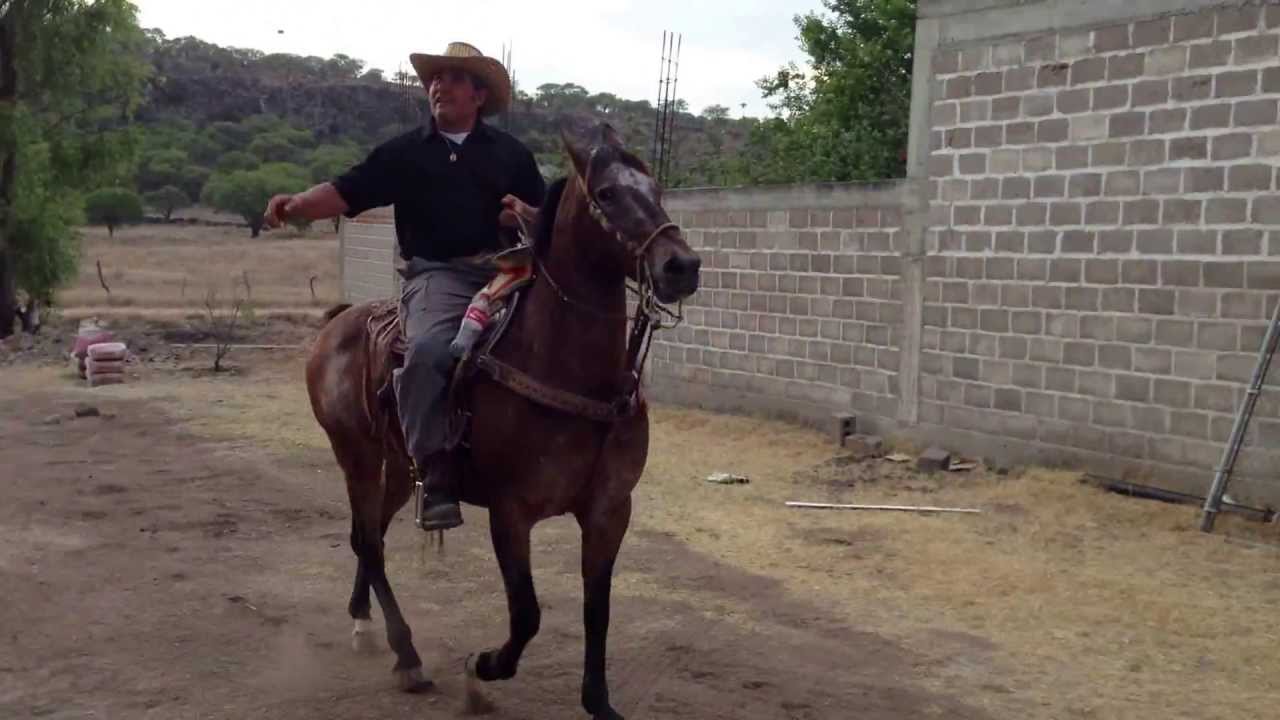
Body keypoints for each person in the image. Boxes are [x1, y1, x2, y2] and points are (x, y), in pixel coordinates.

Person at [264, 42, 546, 532]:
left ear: (479, 95)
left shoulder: (511, 155)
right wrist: (295, 205)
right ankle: (435, 473)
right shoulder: (405, 153)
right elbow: (345, 190)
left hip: (508, 272)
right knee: (431, 351)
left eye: (455, 78)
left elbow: (546, 220)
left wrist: (524, 215)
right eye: (435, 79)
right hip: (439, 275)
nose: (440, 86)